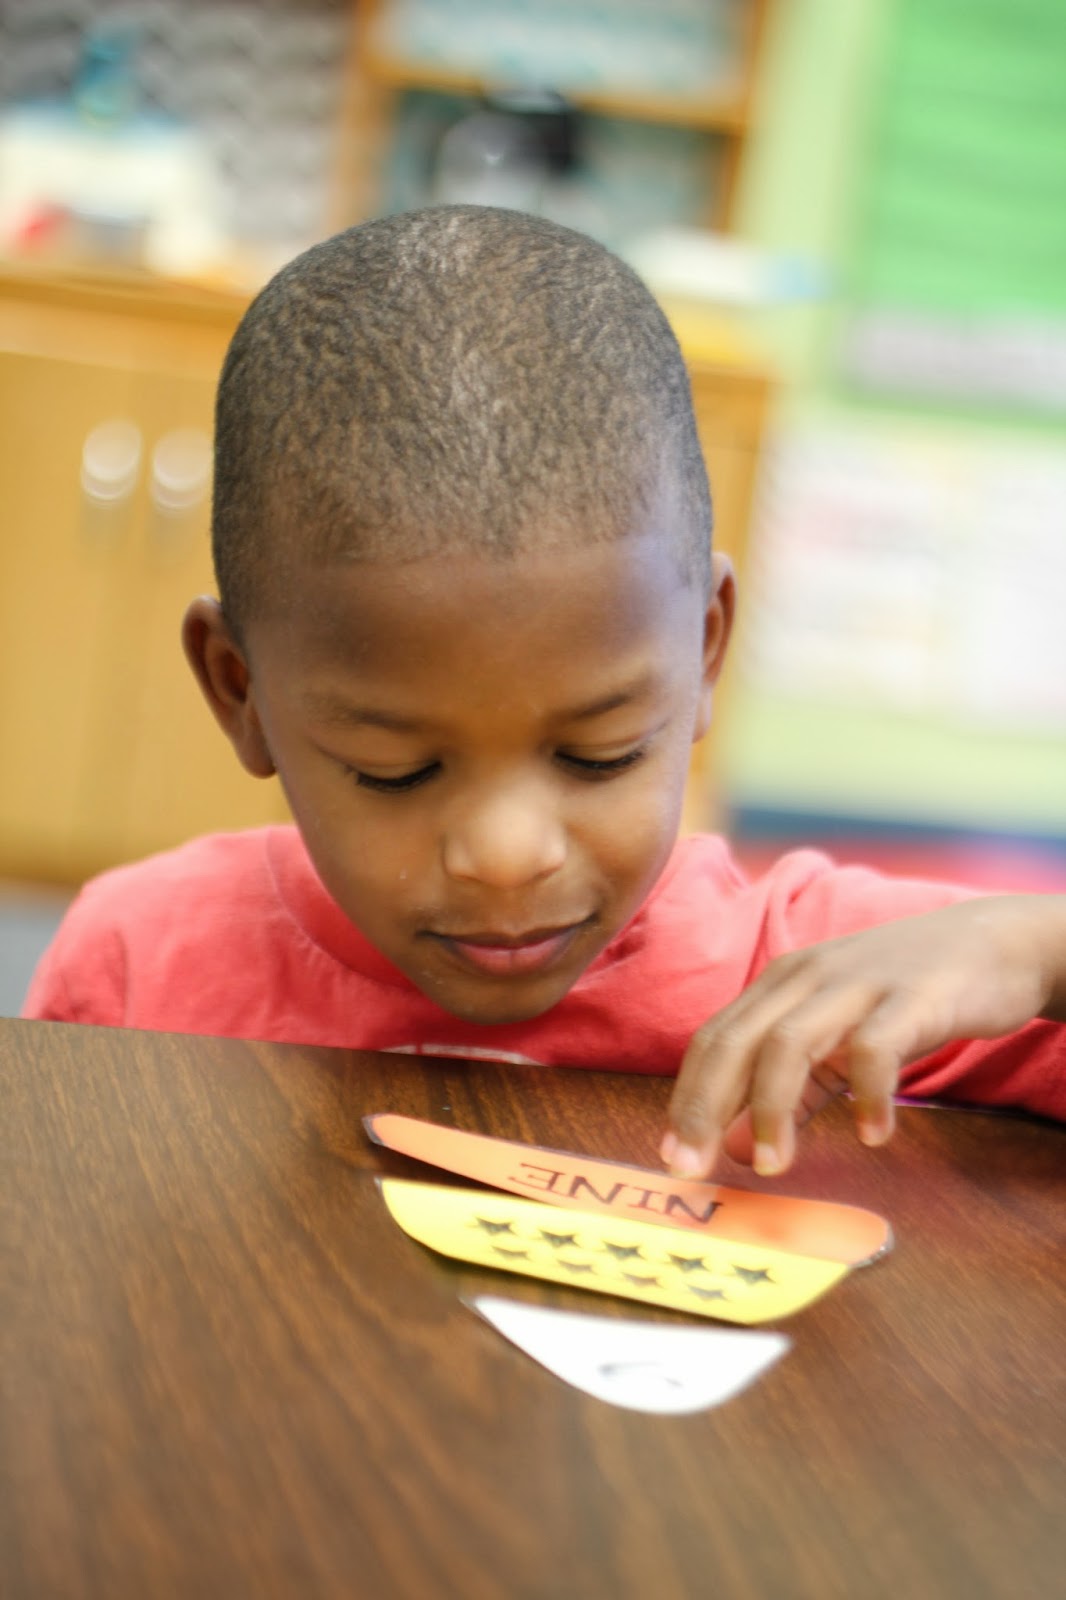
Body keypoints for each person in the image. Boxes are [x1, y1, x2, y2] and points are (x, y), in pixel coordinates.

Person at [23, 205, 1066, 1179]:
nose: (508, 855)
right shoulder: (137, 960)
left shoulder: (811, 975)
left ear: (703, 651)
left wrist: (1027, 946)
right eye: (399, 770)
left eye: (598, 752)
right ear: (237, 688)